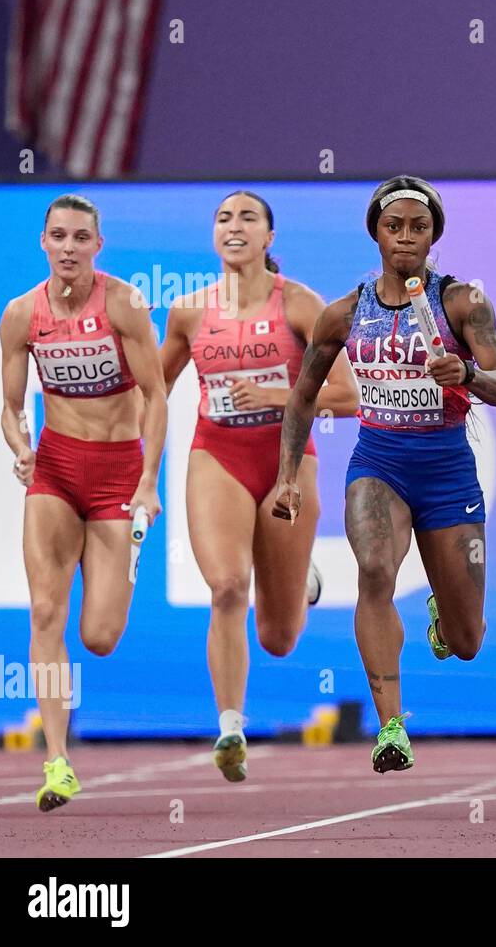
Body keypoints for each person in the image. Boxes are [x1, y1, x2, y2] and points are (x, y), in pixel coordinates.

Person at [273, 175, 496, 775]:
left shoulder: (462, 303)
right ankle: (391, 727)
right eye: (394, 226)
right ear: (375, 234)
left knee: (467, 642)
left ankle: (445, 608)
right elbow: (302, 395)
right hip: (379, 463)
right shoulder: (344, 313)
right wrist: (287, 478)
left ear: (434, 236)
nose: (406, 238)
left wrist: (466, 374)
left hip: (448, 470)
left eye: (419, 227)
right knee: (376, 570)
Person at [159, 190, 358, 782]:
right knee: (225, 587)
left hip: (288, 466)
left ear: (269, 238)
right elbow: (152, 389)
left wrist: (277, 395)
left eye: (249, 218)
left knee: (278, 636)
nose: (235, 226)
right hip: (216, 456)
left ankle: (302, 586)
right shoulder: (189, 312)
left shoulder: (300, 305)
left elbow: (346, 396)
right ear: (213, 236)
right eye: (224, 218)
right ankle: (229, 725)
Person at [0, 194, 167, 811]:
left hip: (119, 474)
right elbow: (11, 410)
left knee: (97, 636)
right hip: (56, 469)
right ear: (43, 243)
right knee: (45, 611)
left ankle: (121, 563)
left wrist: (148, 481)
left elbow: (157, 395)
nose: (69, 247)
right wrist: (21, 447)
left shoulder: (122, 304)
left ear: (99, 246)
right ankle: (57, 761)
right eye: (58, 236)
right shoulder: (22, 315)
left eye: (81, 238)